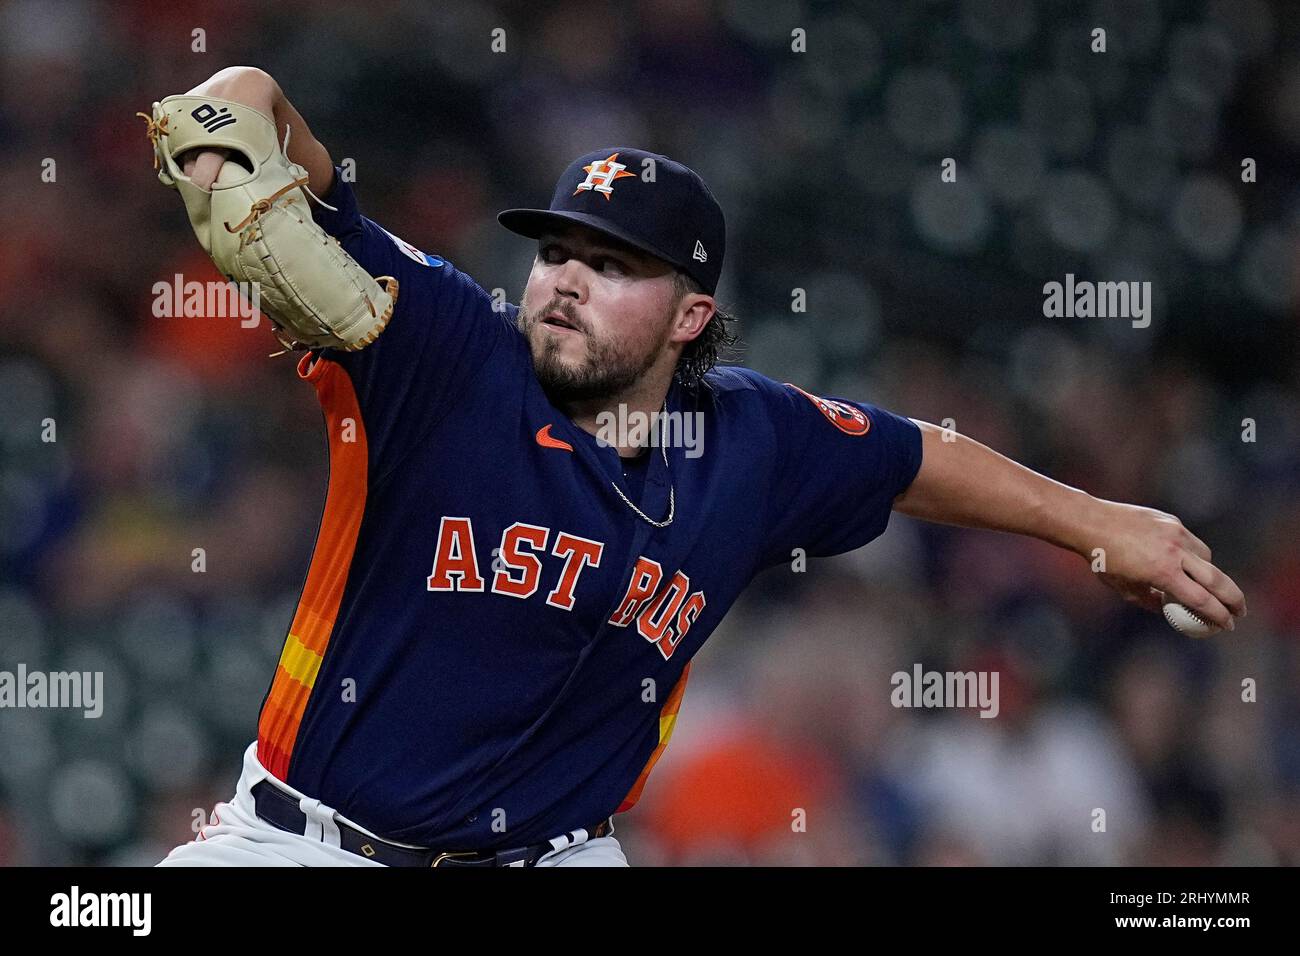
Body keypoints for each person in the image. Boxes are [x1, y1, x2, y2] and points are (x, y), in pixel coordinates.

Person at [154, 67, 1246, 867]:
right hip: (303, 845)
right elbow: (248, 97)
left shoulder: (751, 442)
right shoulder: (441, 347)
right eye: (556, 252)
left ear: (690, 313)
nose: (567, 281)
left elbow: (918, 458)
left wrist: (1098, 519)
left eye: (613, 264)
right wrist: (220, 135)